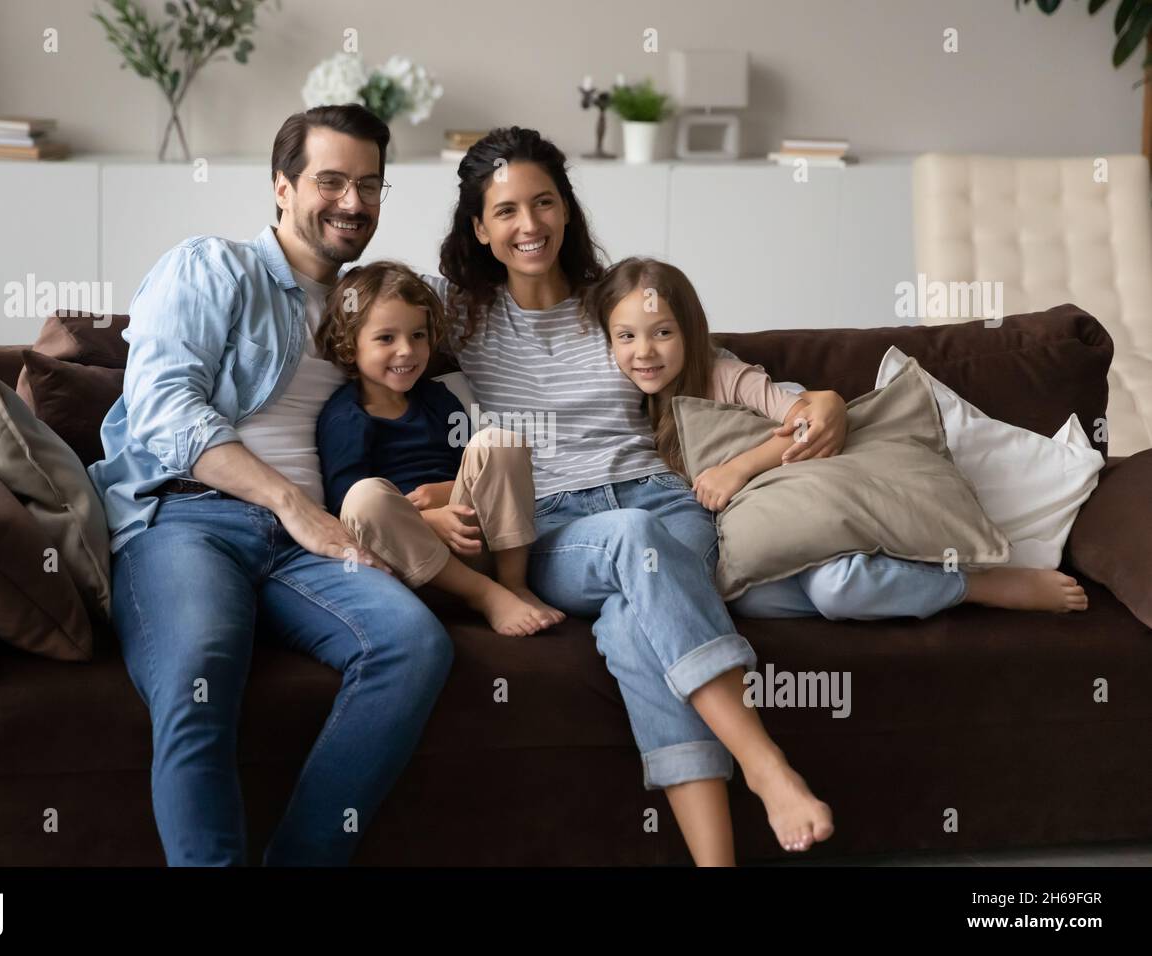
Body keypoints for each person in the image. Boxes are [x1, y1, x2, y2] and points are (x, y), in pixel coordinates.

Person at [420, 126, 848, 865]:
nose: (530, 225)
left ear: (567, 207)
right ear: (481, 229)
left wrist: (826, 401)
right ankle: (764, 764)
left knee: (629, 627)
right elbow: (358, 320)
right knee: (630, 545)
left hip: (663, 504)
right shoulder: (461, 314)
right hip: (554, 531)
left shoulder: (618, 302)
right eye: (507, 211)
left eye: (545, 201)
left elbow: (742, 384)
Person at [87, 105, 453, 866]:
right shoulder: (213, 267)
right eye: (330, 181)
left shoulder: (369, 309)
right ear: (282, 188)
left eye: (370, 185)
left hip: (309, 543)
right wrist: (290, 503)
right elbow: (164, 408)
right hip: (190, 518)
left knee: (413, 643)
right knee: (196, 669)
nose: (353, 203)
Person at [589, 255, 1090, 618]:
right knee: (730, 596)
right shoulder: (615, 400)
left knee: (837, 588)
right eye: (626, 336)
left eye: (662, 332)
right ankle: (898, 580)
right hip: (746, 549)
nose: (644, 352)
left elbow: (809, 419)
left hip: (802, 508)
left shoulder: (723, 377)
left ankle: (976, 584)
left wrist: (740, 466)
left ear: (690, 332)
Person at [315, 259, 564, 636]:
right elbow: (345, 511)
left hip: (469, 538)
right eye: (386, 338)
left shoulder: (437, 397)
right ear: (350, 346)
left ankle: (514, 584)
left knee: (498, 440)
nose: (407, 351)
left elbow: (472, 471)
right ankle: (484, 596)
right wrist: (427, 518)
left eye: (418, 335)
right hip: (408, 561)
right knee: (364, 497)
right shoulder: (345, 417)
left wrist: (445, 497)